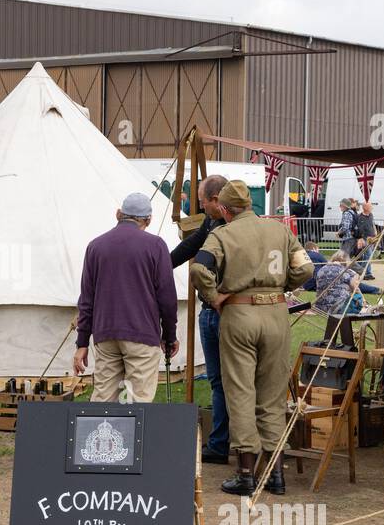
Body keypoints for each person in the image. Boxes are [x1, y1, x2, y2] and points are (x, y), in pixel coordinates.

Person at [191, 180, 314, 496]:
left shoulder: (222, 234)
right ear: (250, 205)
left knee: (240, 392)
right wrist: (280, 286)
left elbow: (198, 270)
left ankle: (246, 474)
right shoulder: (279, 230)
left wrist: (213, 297)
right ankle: (275, 475)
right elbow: (305, 268)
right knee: (273, 395)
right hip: (276, 313)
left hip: (239, 313)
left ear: (225, 210)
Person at [73, 193, 178, 403]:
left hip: (105, 334)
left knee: (103, 398)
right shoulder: (156, 246)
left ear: (118, 214)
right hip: (142, 333)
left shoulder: (95, 246)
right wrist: (169, 335)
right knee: (137, 401)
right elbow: (167, 298)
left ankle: (97, 436)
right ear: (148, 220)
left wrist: (82, 342)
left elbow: (86, 301)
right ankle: (130, 437)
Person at [170, 174, 229, 464]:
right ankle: (221, 443)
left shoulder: (230, 228)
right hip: (214, 312)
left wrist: (216, 297)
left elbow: (200, 267)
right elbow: (189, 246)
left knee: (229, 382)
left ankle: (227, 445)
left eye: (203, 201)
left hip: (225, 312)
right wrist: (159, 264)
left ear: (216, 200)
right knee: (221, 382)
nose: (201, 206)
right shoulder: (211, 223)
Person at [311, 251, 362, 344]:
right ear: (346, 260)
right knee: (358, 299)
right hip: (339, 307)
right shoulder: (348, 271)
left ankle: (329, 342)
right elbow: (356, 289)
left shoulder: (321, 270)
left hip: (320, 306)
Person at [352, 200, 377, 280]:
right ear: (365, 208)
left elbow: (372, 224)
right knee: (368, 256)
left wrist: (375, 232)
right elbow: (358, 229)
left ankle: (360, 272)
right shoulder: (359, 217)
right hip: (365, 239)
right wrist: (360, 239)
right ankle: (367, 273)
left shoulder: (371, 215)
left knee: (367, 257)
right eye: (370, 206)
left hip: (372, 238)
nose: (372, 207)